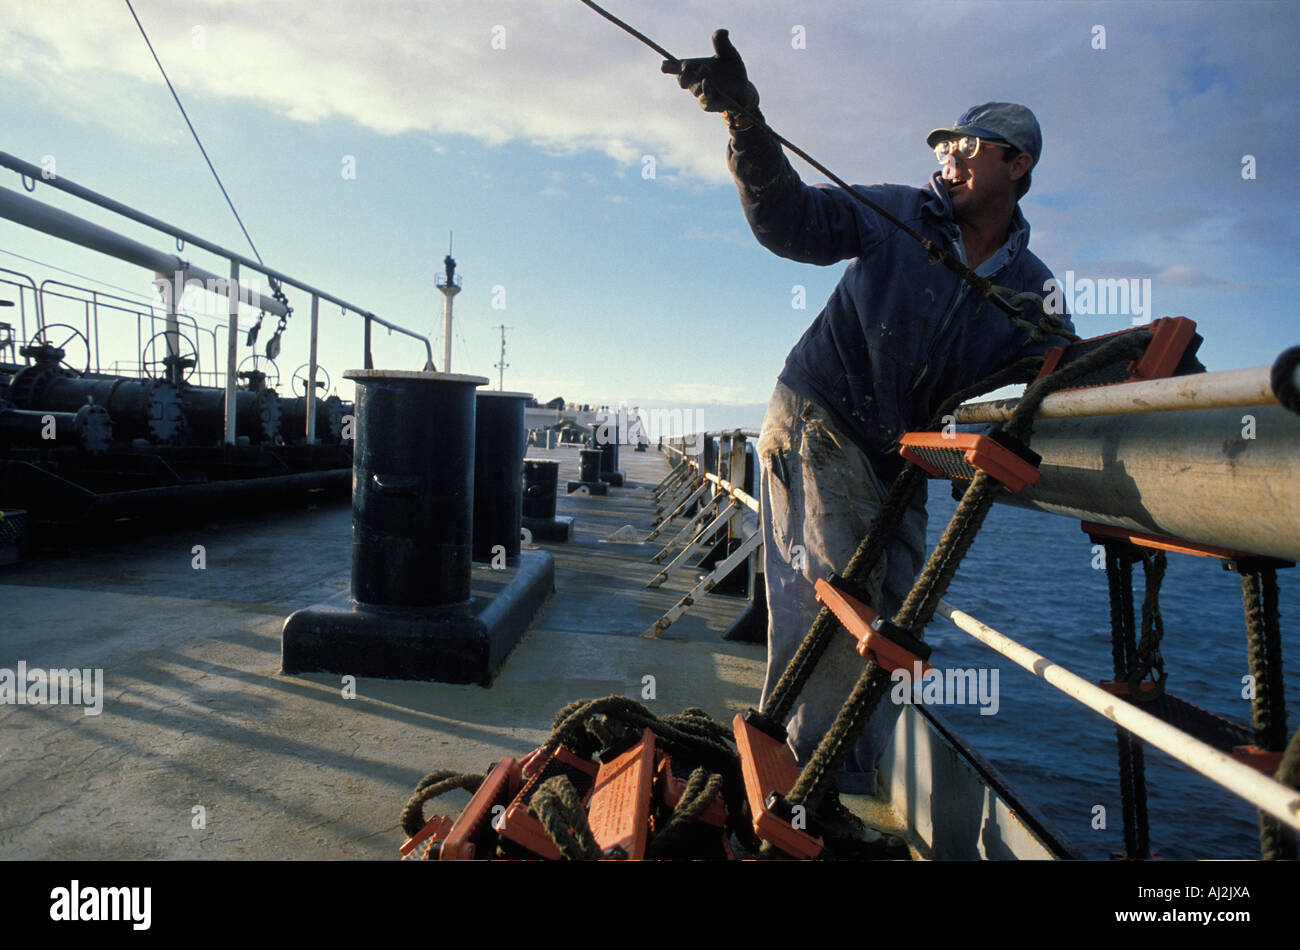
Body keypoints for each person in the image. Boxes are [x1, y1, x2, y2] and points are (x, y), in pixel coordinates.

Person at [669, 31, 1075, 794]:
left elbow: (1059, 373)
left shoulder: (1033, 285)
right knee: (834, 612)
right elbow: (788, 222)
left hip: (898, 459)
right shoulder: (895, 214)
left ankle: (829, 775)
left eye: (967, 148)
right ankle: (812, 796)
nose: (947, 160)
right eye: (943, 150)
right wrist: (746, 125)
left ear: (1017, 164)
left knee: (892, 615)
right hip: (818, 418)